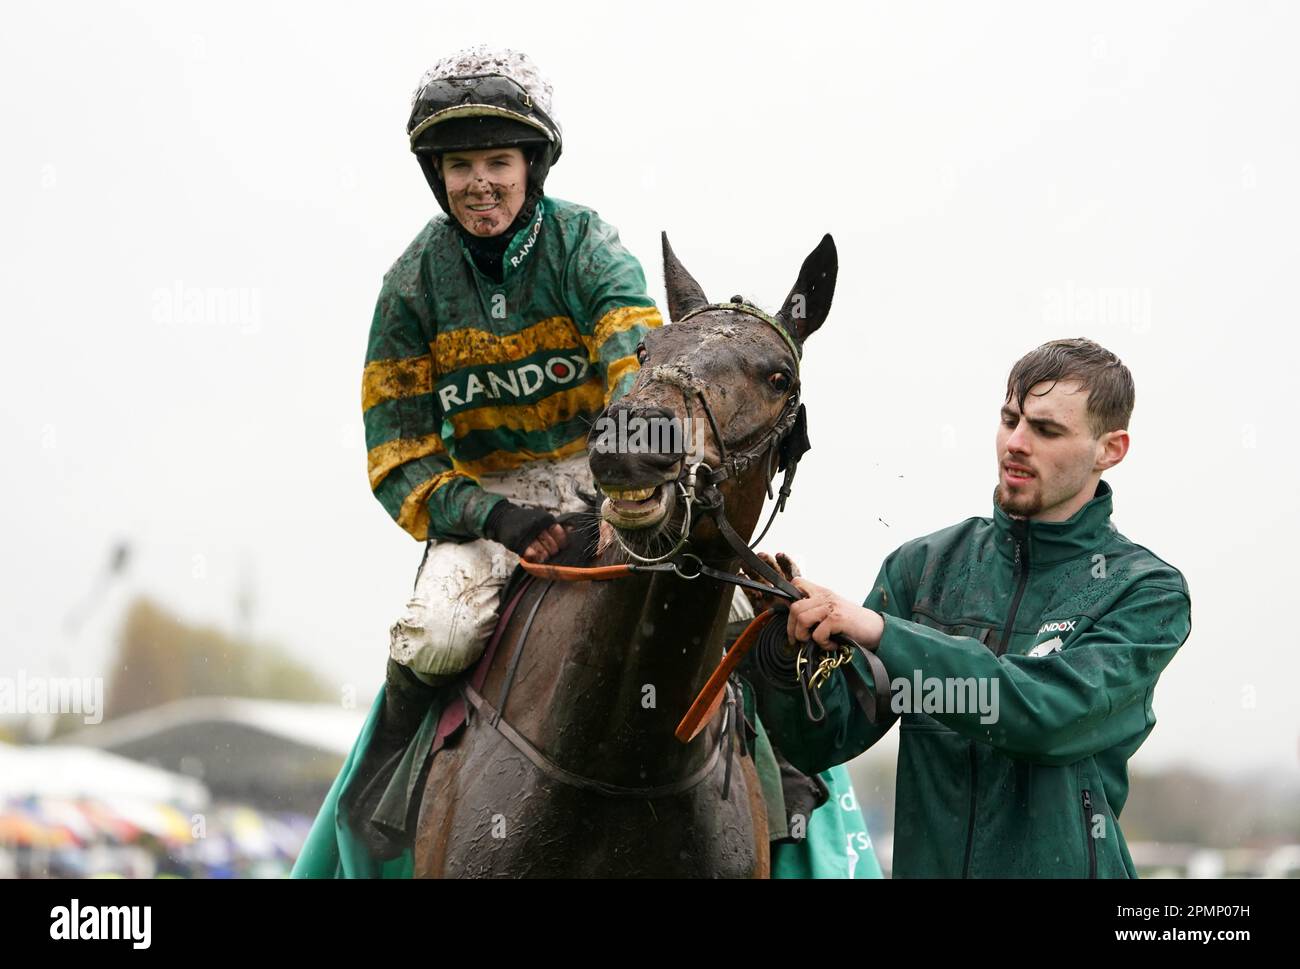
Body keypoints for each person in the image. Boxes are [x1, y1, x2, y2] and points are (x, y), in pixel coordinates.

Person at [292, 45, 881, 878]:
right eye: (461, 166)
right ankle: (375, 807)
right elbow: (397, 458)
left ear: (531, 167)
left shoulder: (588, 248)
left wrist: (622, 482)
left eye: (498, 162)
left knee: (745, 619)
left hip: (607, 474)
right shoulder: (410, 288)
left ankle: (796, 812)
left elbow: (635, 368)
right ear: (438, 176)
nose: (481, 183)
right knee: (435, 634)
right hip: (484, 506)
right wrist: (497, 518)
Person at [743, 338, 1192, 877]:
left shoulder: (1146, 591)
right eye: (1010, 420)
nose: (1016, 443)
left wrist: (884, 633)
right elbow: (823, 740)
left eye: (1047, 430)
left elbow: (1048, 716)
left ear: (1110, 449)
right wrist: (784, 647)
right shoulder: (922, 568)